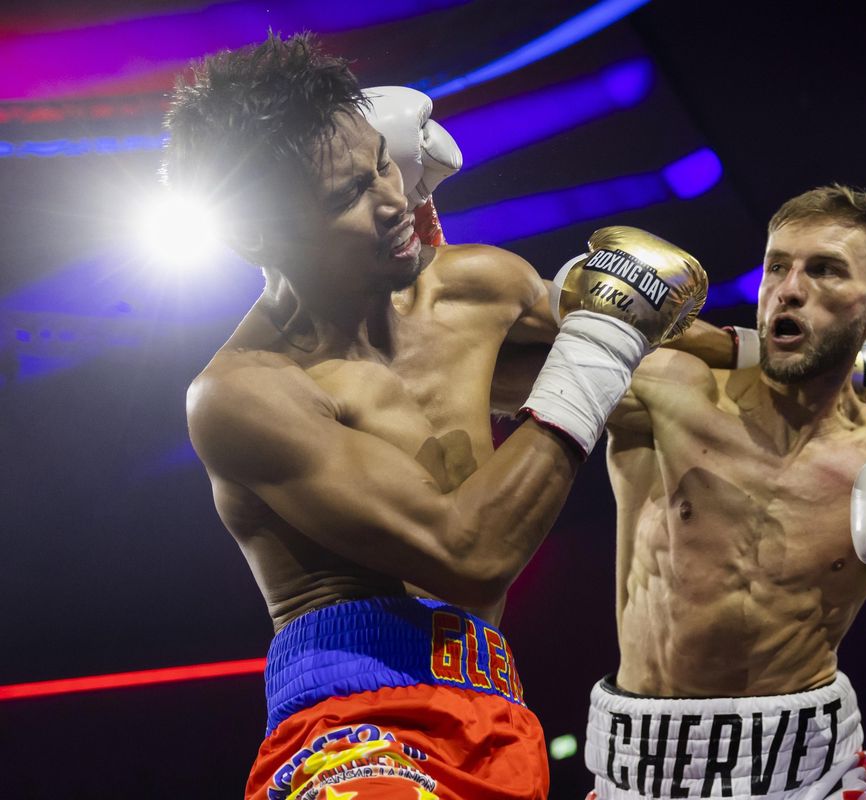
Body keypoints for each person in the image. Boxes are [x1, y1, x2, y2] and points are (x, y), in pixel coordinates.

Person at [165, 33, 706, 800]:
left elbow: (664, 347)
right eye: (346, 195)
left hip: (495, 713)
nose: (395, 201)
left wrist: (813, 359)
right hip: (352, 735)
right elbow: (469, 555)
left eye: (383, 162)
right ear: (254, 233)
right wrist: (603, 338)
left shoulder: (471, 288)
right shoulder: (245, 394)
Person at [582, 186, 866, 799]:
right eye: (777, 266)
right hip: (640, 766)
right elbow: (504, 369)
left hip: (807, 773)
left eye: (824, 270)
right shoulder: (671, 389)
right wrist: (609, 314)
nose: (789, 289)